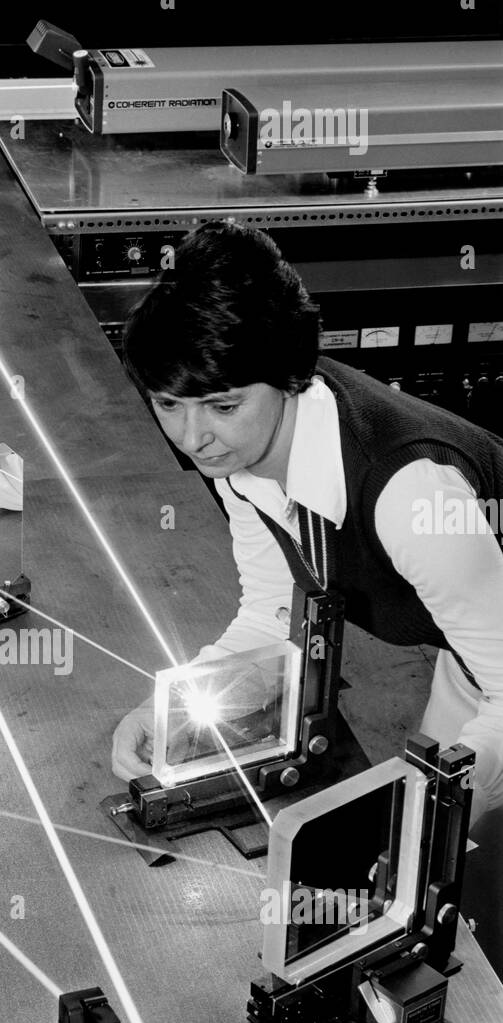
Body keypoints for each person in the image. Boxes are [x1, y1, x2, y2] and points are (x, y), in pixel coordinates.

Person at [111, 221, 503, 970]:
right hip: (474, 650)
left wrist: (408, 812)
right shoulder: (243, 457)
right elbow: (267, 615)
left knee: (450, 858)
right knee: (431, 857)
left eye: (221, 406)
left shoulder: (408, 495)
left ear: (288, 374)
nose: (193, 437)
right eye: (168, 405)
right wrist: (170, 709)